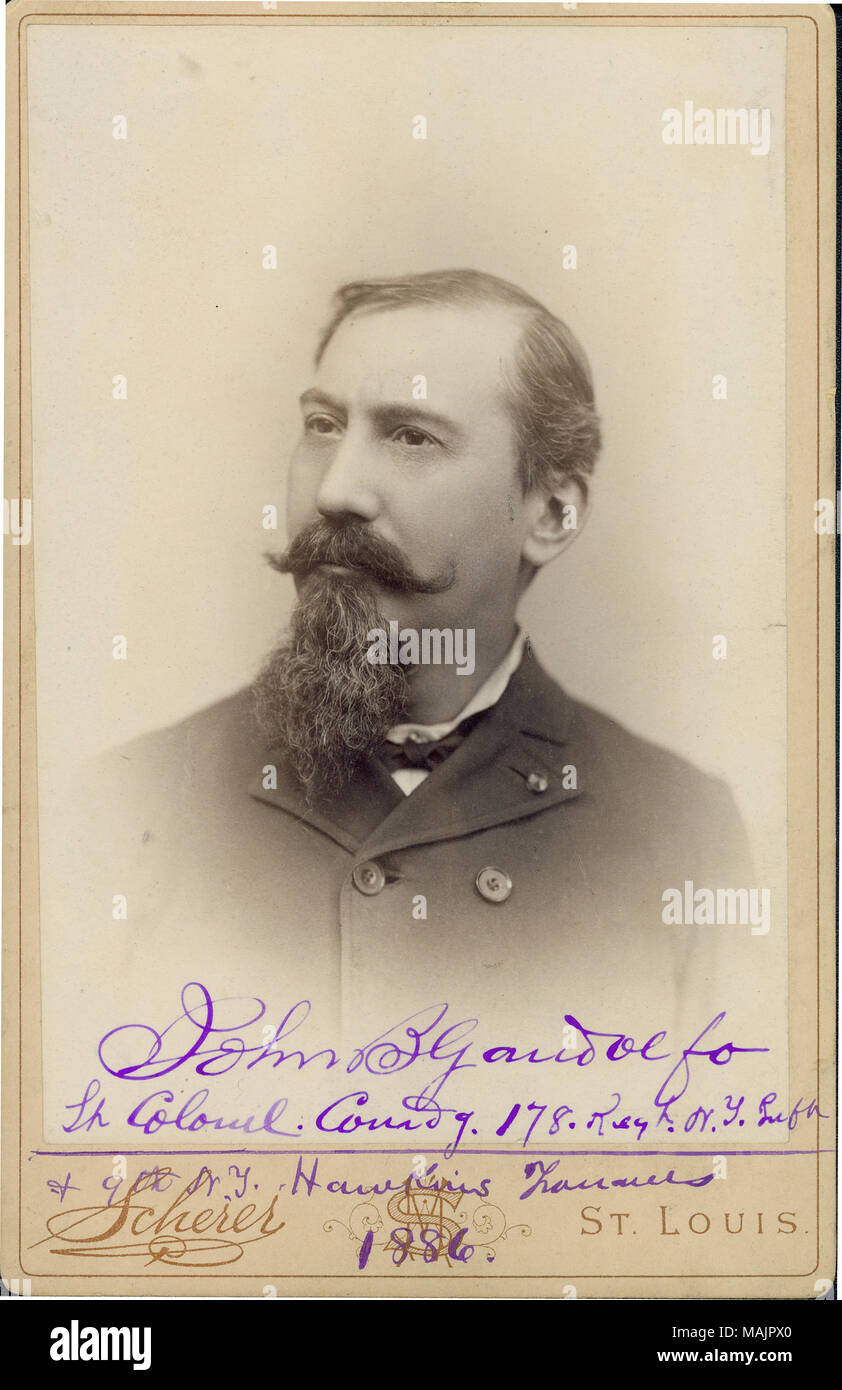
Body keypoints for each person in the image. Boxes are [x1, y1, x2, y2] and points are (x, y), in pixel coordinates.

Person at [89, 270, 764, 1091]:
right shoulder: (124, 808)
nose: (335, 490)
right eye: (322, 425)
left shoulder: (686, 837)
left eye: (411, 437)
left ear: (551, 515)